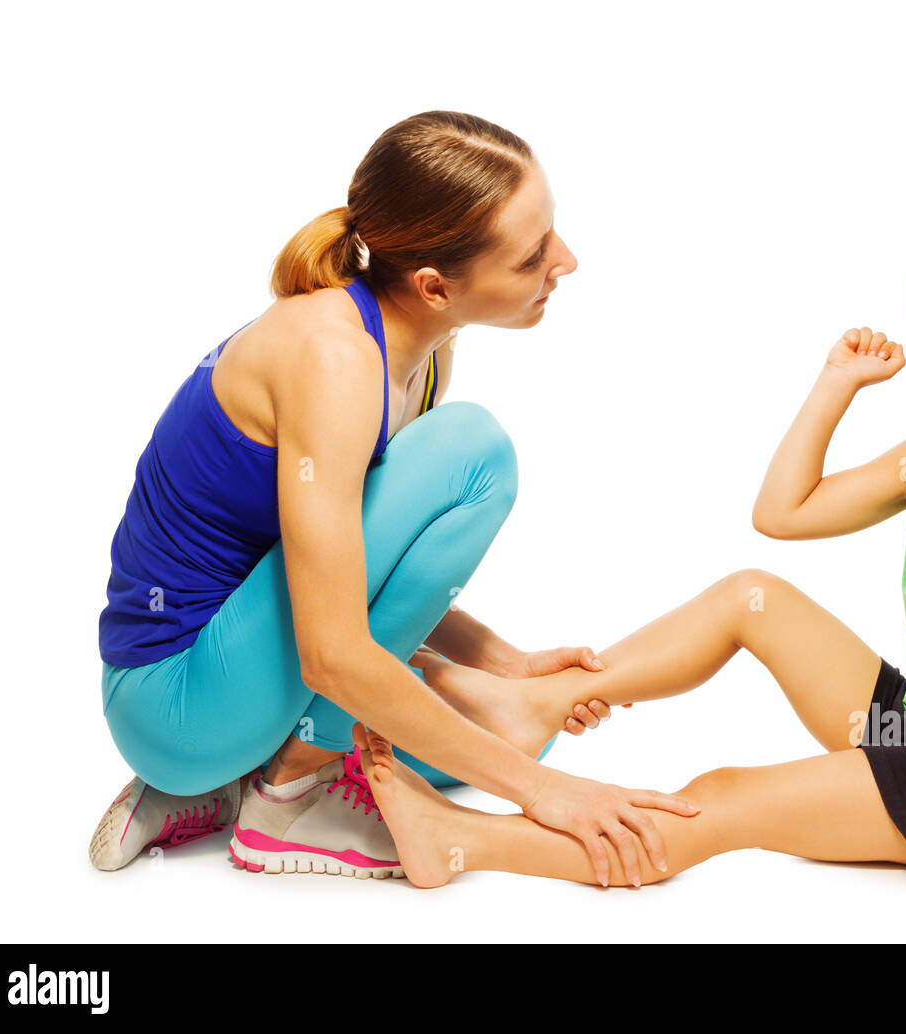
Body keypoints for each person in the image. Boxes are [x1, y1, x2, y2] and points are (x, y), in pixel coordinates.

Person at [357, 63, 906, 887]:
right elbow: (783, 513)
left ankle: (462, 843)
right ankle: (536, 706)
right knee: (748, 594)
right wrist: (834, 386)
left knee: (721, 799)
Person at [90, 111, 699, 885]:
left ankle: (225, 784)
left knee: (517, 730)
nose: (567, 261)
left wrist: (503, 664)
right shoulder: (335, 359)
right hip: (172, 701)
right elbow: (333, 649)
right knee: (476, 453)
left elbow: (347, 559)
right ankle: (284, 796)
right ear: (436, 286)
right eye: (532, 255)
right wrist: (548, 797)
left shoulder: (426, 350)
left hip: (236, 674)